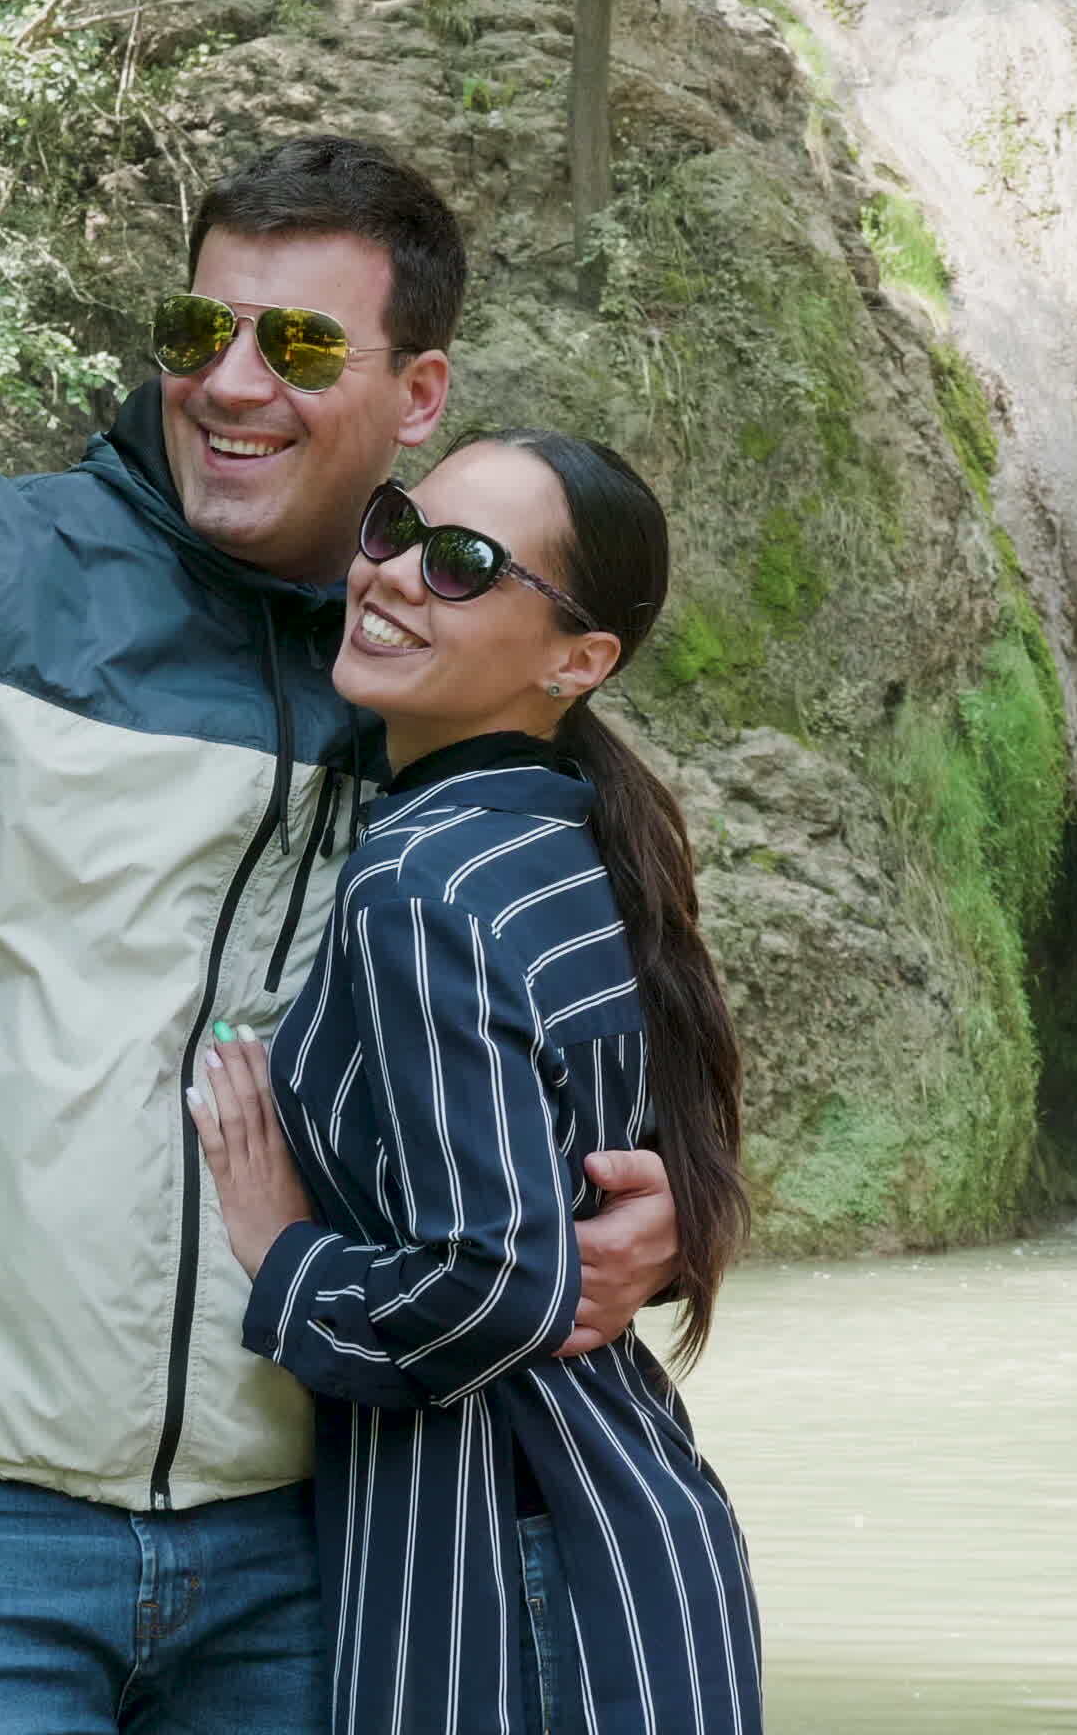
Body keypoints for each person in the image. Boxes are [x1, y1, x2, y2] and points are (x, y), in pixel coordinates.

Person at [0, 137, 683, 1733]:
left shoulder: (442, 667)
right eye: (196, 333)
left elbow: (606, 1016)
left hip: (318, 1537)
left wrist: (670, 1227)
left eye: (298, 346)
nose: (230, 384)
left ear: (419, 393)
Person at [188, 431, 765, 1735]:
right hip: (628, 1556)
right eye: (394, 526)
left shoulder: (423, 880)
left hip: (505, 1592)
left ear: (579, 661)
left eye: (462, 565)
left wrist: (281, 1254)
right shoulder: (574, 835)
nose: (392, 573)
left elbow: (492, 1289)